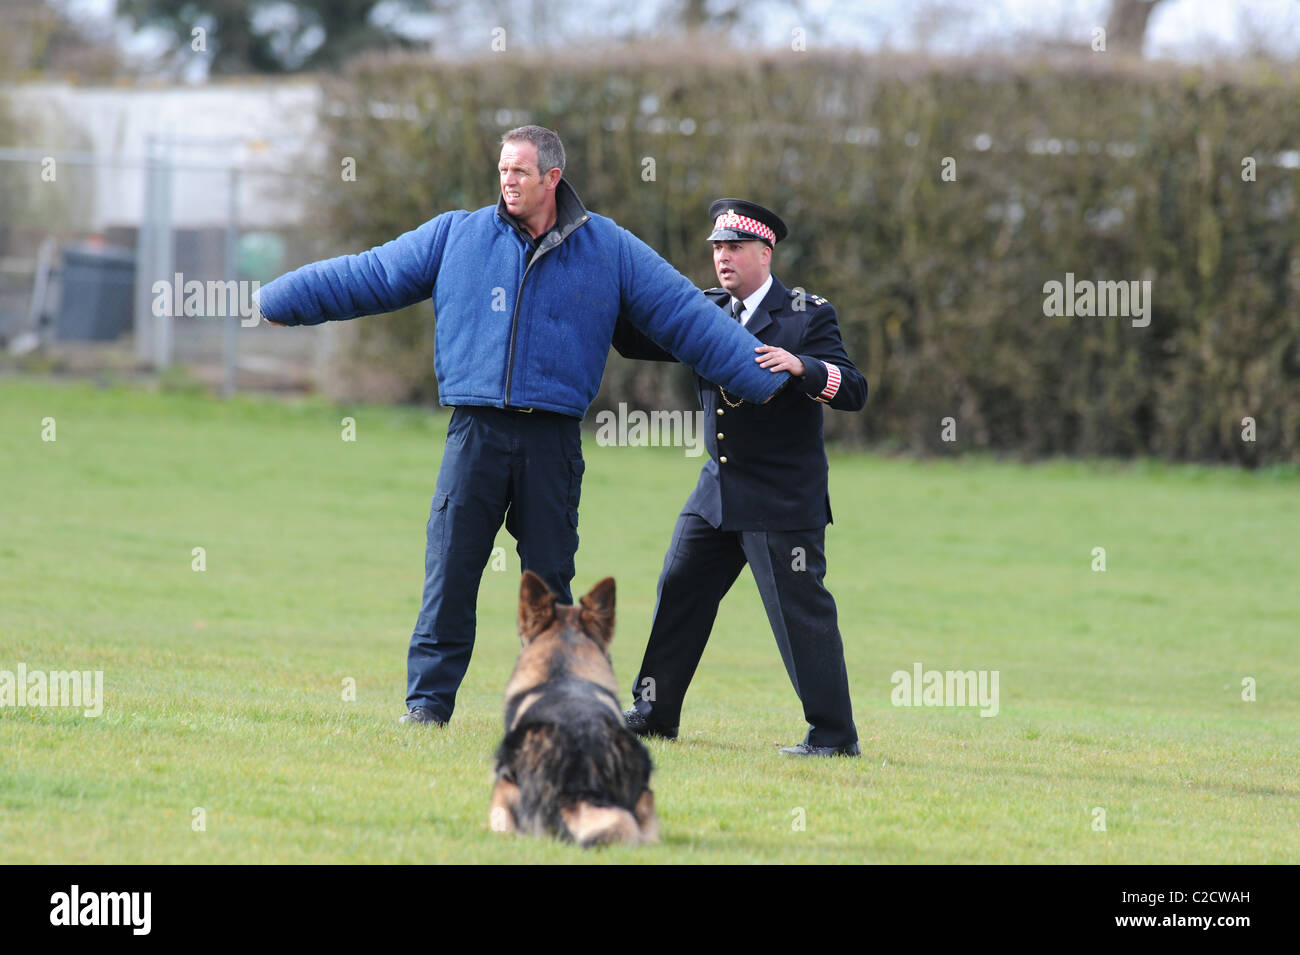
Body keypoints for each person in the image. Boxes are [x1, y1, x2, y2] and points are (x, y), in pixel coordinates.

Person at [256, 129, 790, 727]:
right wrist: (277, 300)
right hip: (474, 435)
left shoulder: (607, 247)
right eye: (503, 170)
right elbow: (367, 276)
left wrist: (763, 375)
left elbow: (684, 314)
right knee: (451, 572)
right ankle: (428, 705)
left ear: (552, 179)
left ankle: (552, 703)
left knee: (549, 584)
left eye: (520, 172)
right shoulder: (456, 235)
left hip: (552, 443)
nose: (507, 181)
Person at [613, 198, 867, 756]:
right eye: (717, 249)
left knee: (800, 617)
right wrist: (602, 285)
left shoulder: (806, 313)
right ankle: (654, 714)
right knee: (679, 591)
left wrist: (802, 367)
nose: (722, 258)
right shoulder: (704, 309)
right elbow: (633, 339)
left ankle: (833, 737)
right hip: (717, 490)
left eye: (734, 248)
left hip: (781, 496)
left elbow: (852, 389)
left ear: (764, 252)